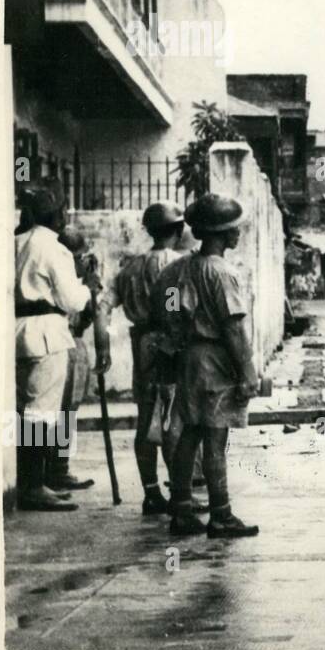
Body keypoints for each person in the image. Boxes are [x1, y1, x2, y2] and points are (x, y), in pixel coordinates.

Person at [156, 193, 260, 539]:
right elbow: (233, 327)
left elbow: (169, 307)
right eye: (233, 229)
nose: (238, 234)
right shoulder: (222, 272)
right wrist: (247, 372)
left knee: (190, 433)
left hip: (190, 357)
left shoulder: (184, 266)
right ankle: (221, 514)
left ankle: (182, 508)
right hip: (215, 359)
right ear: (220, 233)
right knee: (216, 438)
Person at [115, 202, 199, 515]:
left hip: (142, 345)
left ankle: (151, 492)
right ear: (177, 231)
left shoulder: (131, 267)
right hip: (168, 345)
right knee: (174, 421)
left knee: (146, 418)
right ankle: (181, 493)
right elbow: (173, 310)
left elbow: (104, 304)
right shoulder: (176, 266)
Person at [13, 187, 92, 511]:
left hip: (16, 329)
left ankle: (34, 481)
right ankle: (33, 485)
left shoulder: (16, 242)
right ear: (57, 215)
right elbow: (71, 300)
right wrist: (86, 287)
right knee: (40, 413)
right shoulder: (53, 248)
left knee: (23, 410)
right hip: (46, 332)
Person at [51, 227, 111, 492]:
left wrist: (93, 285)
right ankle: (52, 470)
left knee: (68, 411)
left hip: (74, 344)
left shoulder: (82, 280)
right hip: (61, 342)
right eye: (78, 257)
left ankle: (59, 467)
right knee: (55, 411)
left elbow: (96, 314)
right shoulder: (61, 278)